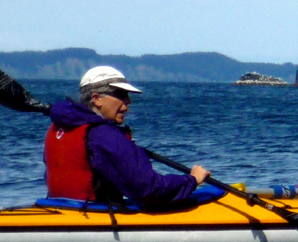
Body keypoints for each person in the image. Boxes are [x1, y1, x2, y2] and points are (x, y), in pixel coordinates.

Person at [44, 65, 211, 209]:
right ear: (96, 99)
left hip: (61, 208)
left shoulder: (58, 128)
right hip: (95, 215)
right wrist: (192, 180)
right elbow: (148, 190)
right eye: (121, 94)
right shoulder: (104, 135)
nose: (128, 102)